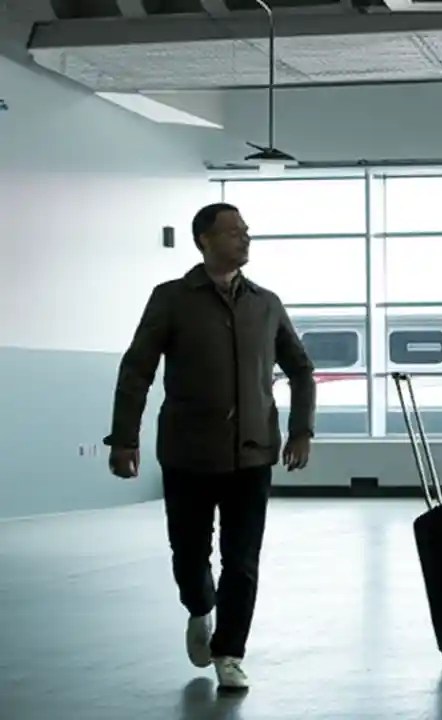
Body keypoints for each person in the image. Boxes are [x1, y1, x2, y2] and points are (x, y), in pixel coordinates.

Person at [103, 202, 316, 693]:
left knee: (242, 561)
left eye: (246, 231)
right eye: (234, 231)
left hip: (252, 454)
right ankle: (200, 607)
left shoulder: (266, 303)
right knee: (189, 555)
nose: (245, 238)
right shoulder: (172, 299)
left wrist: (302, 430)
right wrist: (124, 438)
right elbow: (137, 370)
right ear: (204, 240)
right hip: (188, 454)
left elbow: (301, 369)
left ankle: (230, 653)